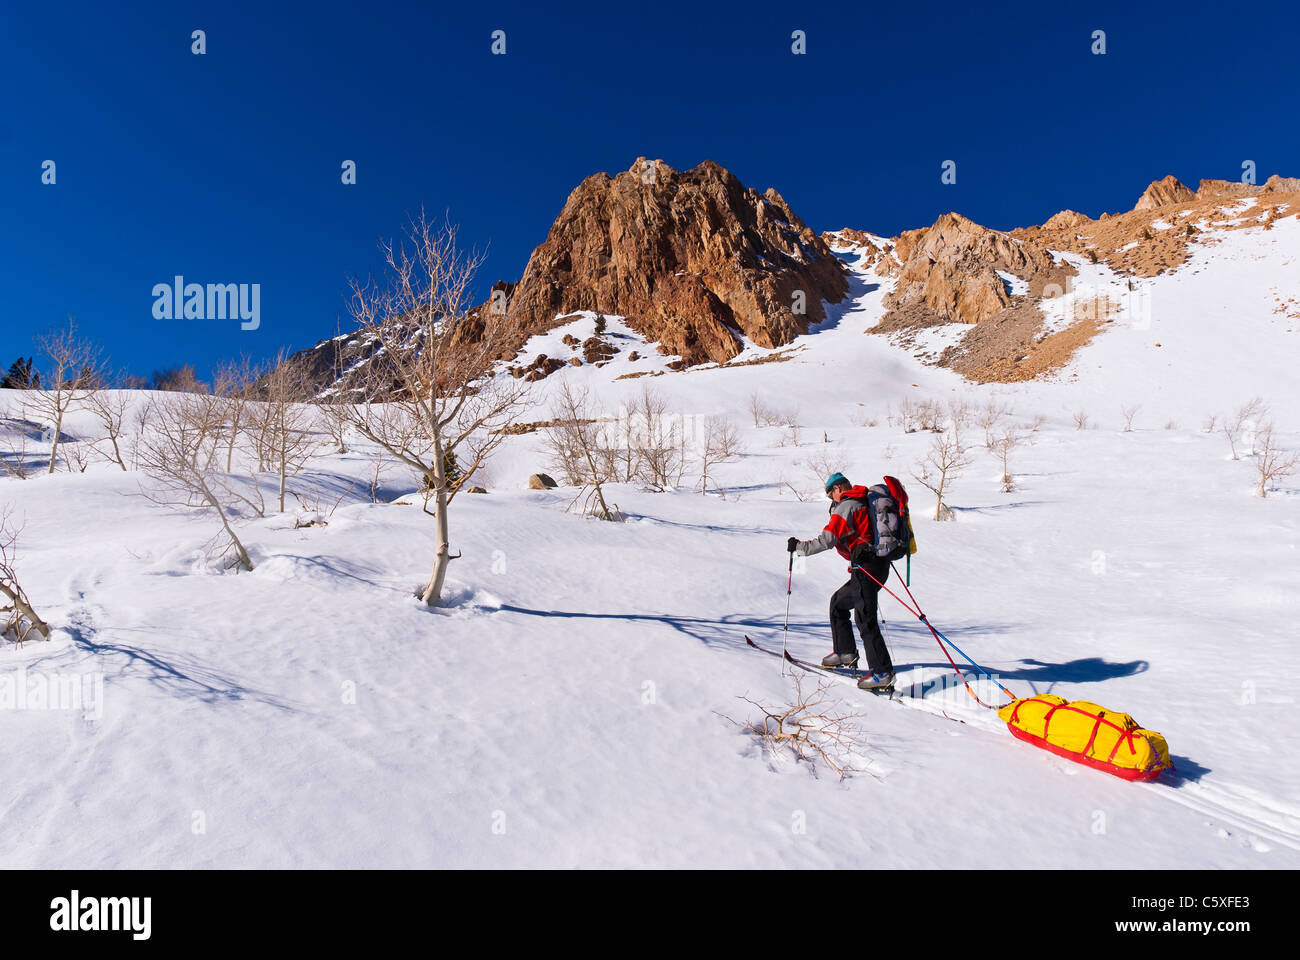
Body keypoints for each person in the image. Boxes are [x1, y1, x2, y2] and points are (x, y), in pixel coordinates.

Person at [786, 472, 895, 691]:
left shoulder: (848, 505)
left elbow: (828, 539)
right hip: (870, 567)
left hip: (867, 568)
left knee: (865, 618)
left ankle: (882, 672)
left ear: (837, 489)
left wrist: (799, 548)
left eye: (830, 495)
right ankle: (845, 652)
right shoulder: (862, 501)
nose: (831, 500)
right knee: (838, 603)